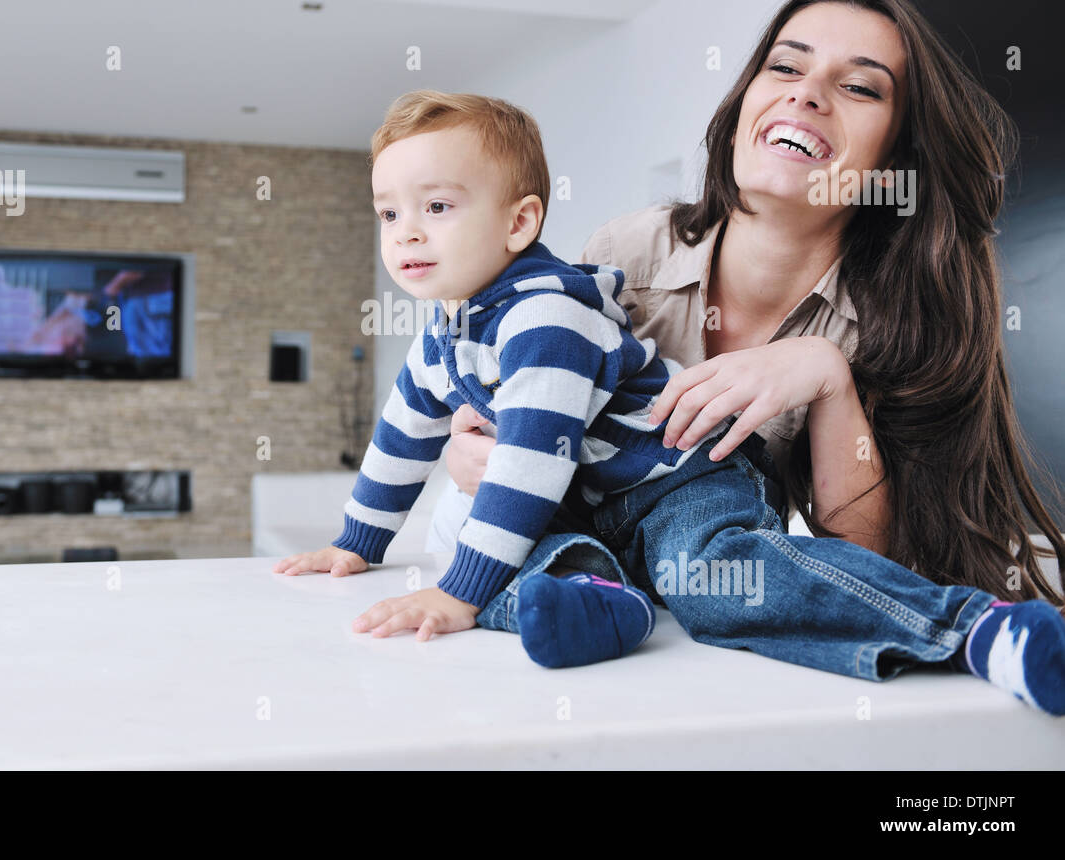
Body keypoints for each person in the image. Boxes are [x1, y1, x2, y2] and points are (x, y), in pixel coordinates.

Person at [275, 58, 1065, 714]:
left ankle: (970, 628)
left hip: (675, 481)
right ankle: (600, 602)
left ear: (519, 224)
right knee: (522, 559)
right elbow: (402, 434)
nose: (406, 232)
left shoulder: (545, 315)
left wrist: (459, 597)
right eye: (388, 213)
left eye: (437, 207)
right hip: (589, 506)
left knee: (706, 582)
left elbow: (530, 462)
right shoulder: (448, 328)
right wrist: (357, 542)